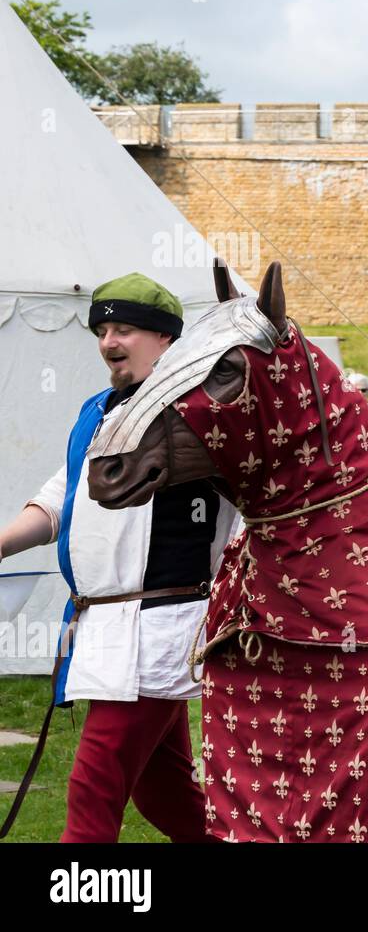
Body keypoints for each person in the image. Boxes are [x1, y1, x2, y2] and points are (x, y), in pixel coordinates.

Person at [0, 274, 238, 842]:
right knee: (164, 793)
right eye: (102, 330)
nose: (109, 342)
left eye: (124, 329)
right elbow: (62, 500)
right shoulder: (98, 410)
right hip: (105, 627)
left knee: (93, 786)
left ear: (165, 338)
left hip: (162, 627)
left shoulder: (202, 413)